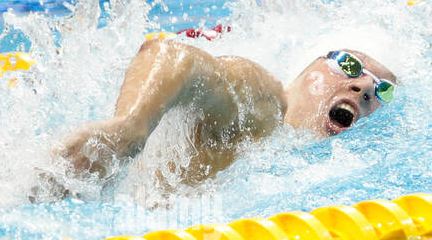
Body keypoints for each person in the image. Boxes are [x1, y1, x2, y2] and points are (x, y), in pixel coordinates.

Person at [35, 36, 398, 198]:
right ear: (306, 72)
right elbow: (175, 56)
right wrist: (129, 128)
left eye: (382, 90)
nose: (365, 85)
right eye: (348, 66)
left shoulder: (309, 168)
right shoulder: (264, 104)